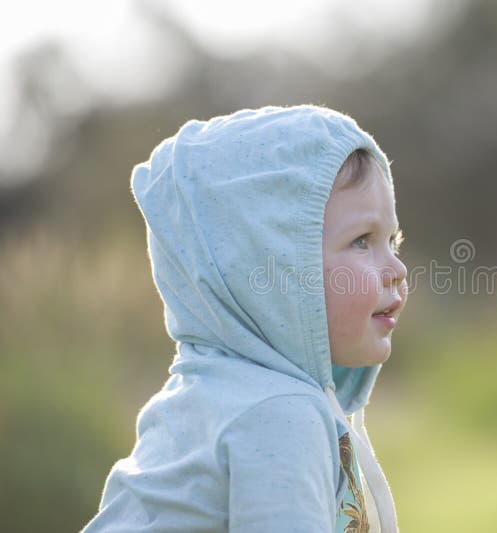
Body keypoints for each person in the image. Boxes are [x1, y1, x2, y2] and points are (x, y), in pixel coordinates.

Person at [82, 105, 408, 532]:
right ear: (272, 268)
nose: (397, 271)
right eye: (362, 241)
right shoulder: (279, 414)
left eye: (393, 241)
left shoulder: (207, 393)